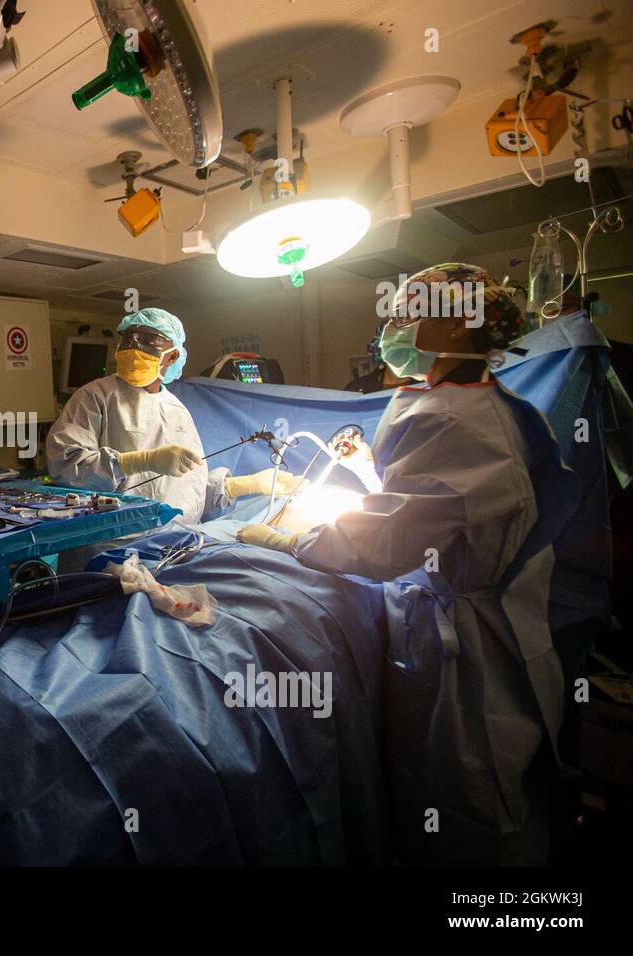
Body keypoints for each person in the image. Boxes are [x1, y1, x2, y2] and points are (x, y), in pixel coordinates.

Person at [237, 263, 577, 865]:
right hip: (493, 623)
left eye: (410, 310)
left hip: (471, 657)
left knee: (476, 810)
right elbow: (439, 506)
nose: (396, 323)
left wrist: (289, 541)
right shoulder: (482, 402)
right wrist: (369, 468)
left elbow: (382, 546)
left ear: (451, 323)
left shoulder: (452, 417)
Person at [46, 308, 294, 522]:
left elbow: (187, 488)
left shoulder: (176, 410)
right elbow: (67, 470)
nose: (134, 346)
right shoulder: (95, 397)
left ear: (173, 356)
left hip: (177, 542)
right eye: (128, 339)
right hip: (116, 547)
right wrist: (140, 461)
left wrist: (243, 485)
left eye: (149, 340)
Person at [343, 322, 417, 393]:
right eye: (394, 342)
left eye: (407, 342)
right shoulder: (355, 389)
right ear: (381, 346)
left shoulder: (426, 388)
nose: (401, 348)